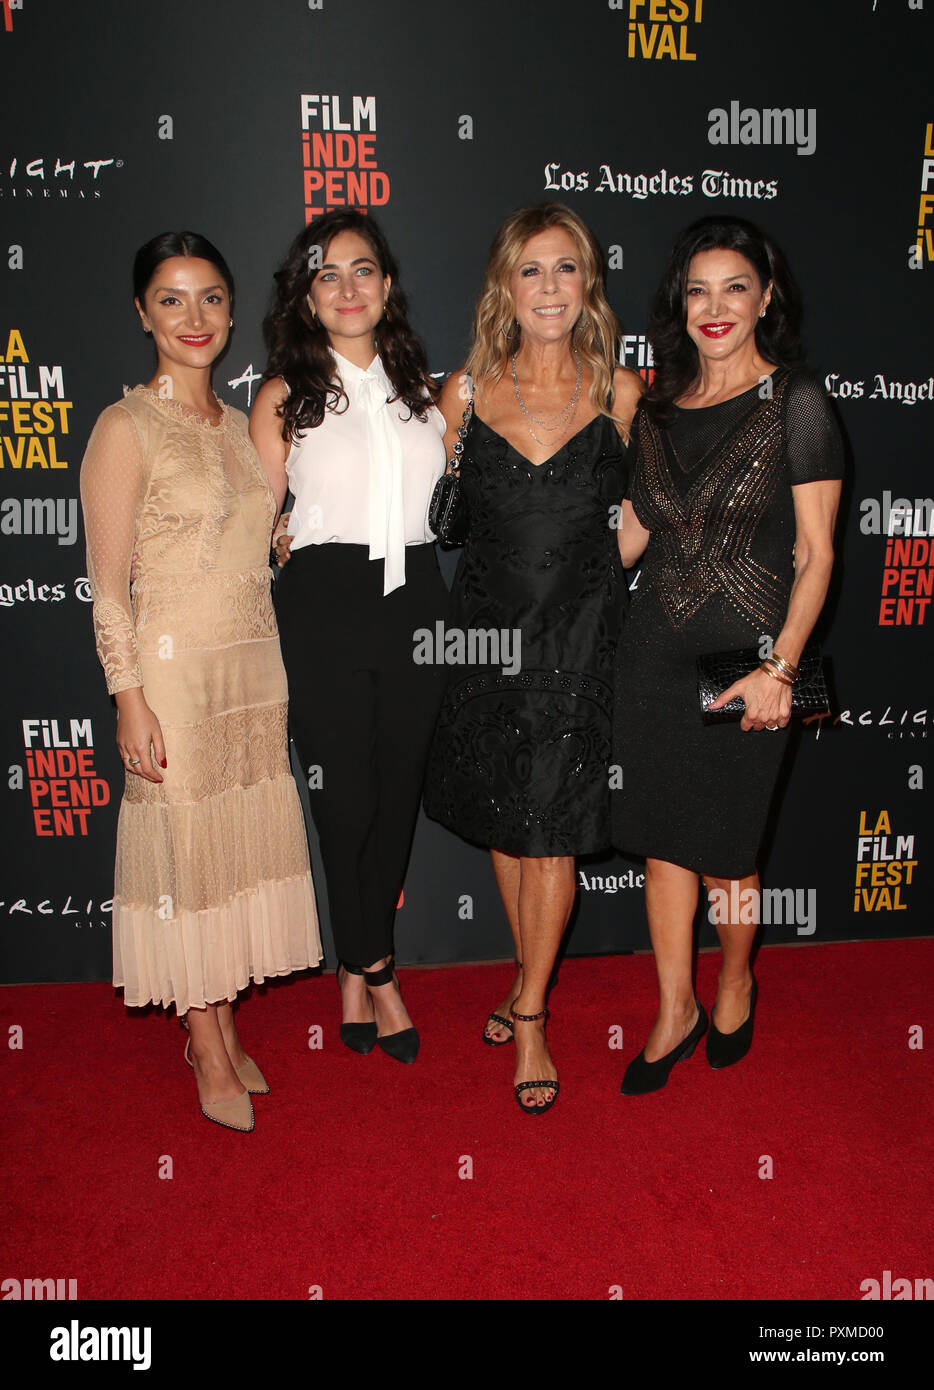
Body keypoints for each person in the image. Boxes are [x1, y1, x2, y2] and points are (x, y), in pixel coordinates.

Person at [80, 232, 322, 1133]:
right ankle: (207, 1044)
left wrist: (281, 540)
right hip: (173, 677)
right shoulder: (123, 426)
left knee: (232, 858)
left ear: (230, 313)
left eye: (211, 298)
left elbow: (246, 543)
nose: (194, 318)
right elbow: (109, 585)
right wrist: (127, 695)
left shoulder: (239, 425)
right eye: (172, 300)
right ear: (142, 313)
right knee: (188, 858)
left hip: (255, 668)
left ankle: (217, 1019)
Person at [613, 215, 843, 1094]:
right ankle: (673, 1007)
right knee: (663, 844)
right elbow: (631, 538)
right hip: (651, 658)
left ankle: (736, 975)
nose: (715, 307)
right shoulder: (660, 411)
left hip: (746, 666)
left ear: (765, 297)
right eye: (698, 290)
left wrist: (782, 666)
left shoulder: (799, 404)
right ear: (680, 301)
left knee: (727, 849)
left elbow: (817, 553)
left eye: (734, 287)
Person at [423, 203, 643, 1113]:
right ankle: (525, 979)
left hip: (580, 637)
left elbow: (638, 524)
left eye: (565, 269)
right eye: (531, 271)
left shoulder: (623, 392)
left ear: (587, 282)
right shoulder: (465, 393)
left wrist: (587, 582)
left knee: (550, 825)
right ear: (504, 288)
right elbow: (446, 520)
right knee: (511, 817)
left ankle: (535, 1016)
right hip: (486, 637)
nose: (548, 287)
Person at [250, 210, 448, 1064]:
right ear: (306, 296)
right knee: (344, 801)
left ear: (388, 284)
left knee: (398, 795)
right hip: (325, 604)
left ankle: (351, 967)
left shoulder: (429, 392)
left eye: (362, 270)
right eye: (327, 275)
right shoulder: (281, 396)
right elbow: (257, 523)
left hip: (419, 601)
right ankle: (376, 966)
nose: (348, 288)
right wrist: (275, 537)